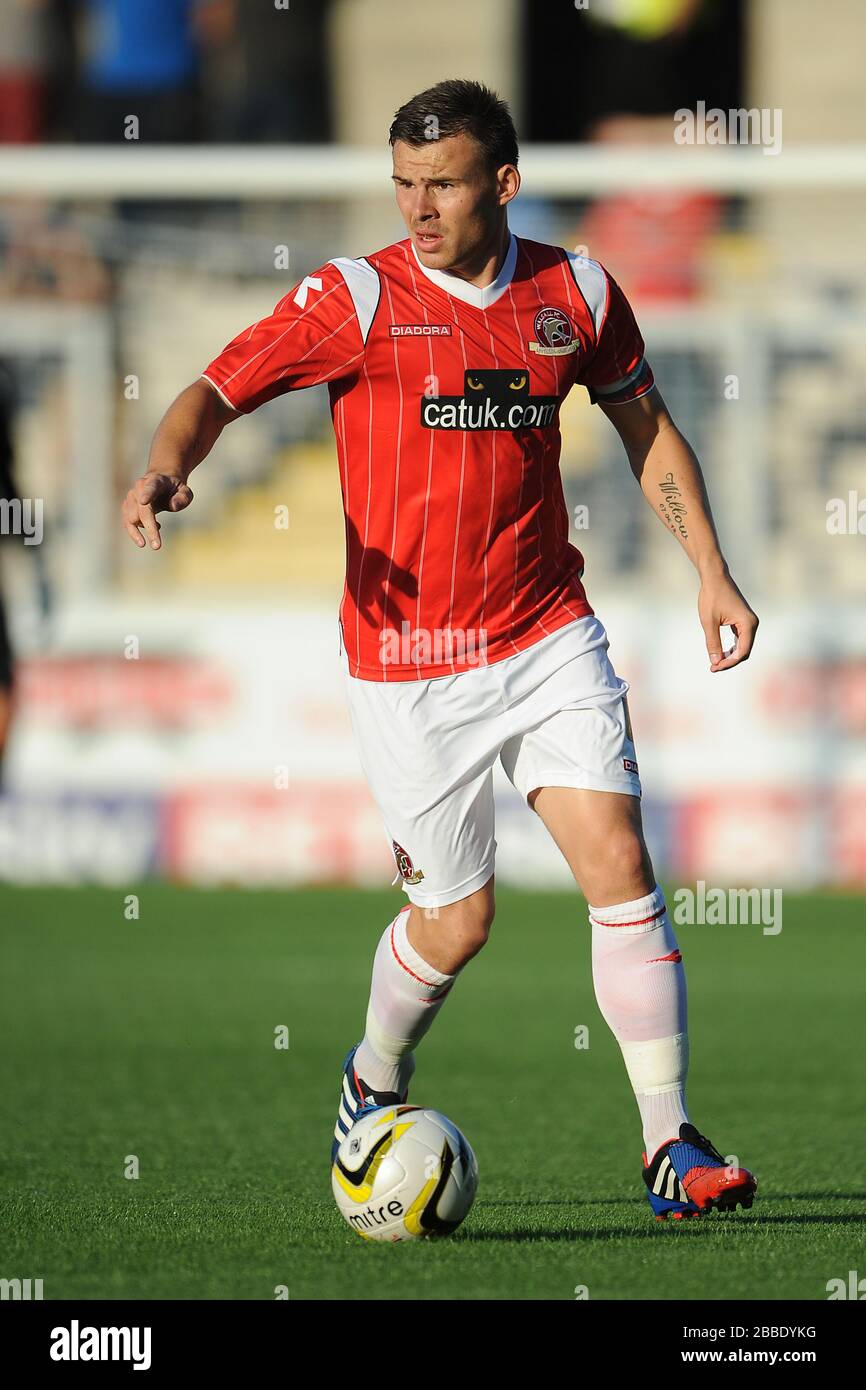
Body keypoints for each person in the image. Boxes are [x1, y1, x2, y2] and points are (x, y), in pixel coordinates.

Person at [122, 79, 759, 1222]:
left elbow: (645, 424)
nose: (417, 208)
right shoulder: (353, 296)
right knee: (458, 921)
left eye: (444, 184)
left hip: (543, 630)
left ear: (502, 183)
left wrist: (709, 568)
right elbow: (213, 390)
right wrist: (168, 464)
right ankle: (371, 1077)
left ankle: (671, 1143)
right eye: (403, 184)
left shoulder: (575, 292)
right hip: (407, 663)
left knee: (615, 859)